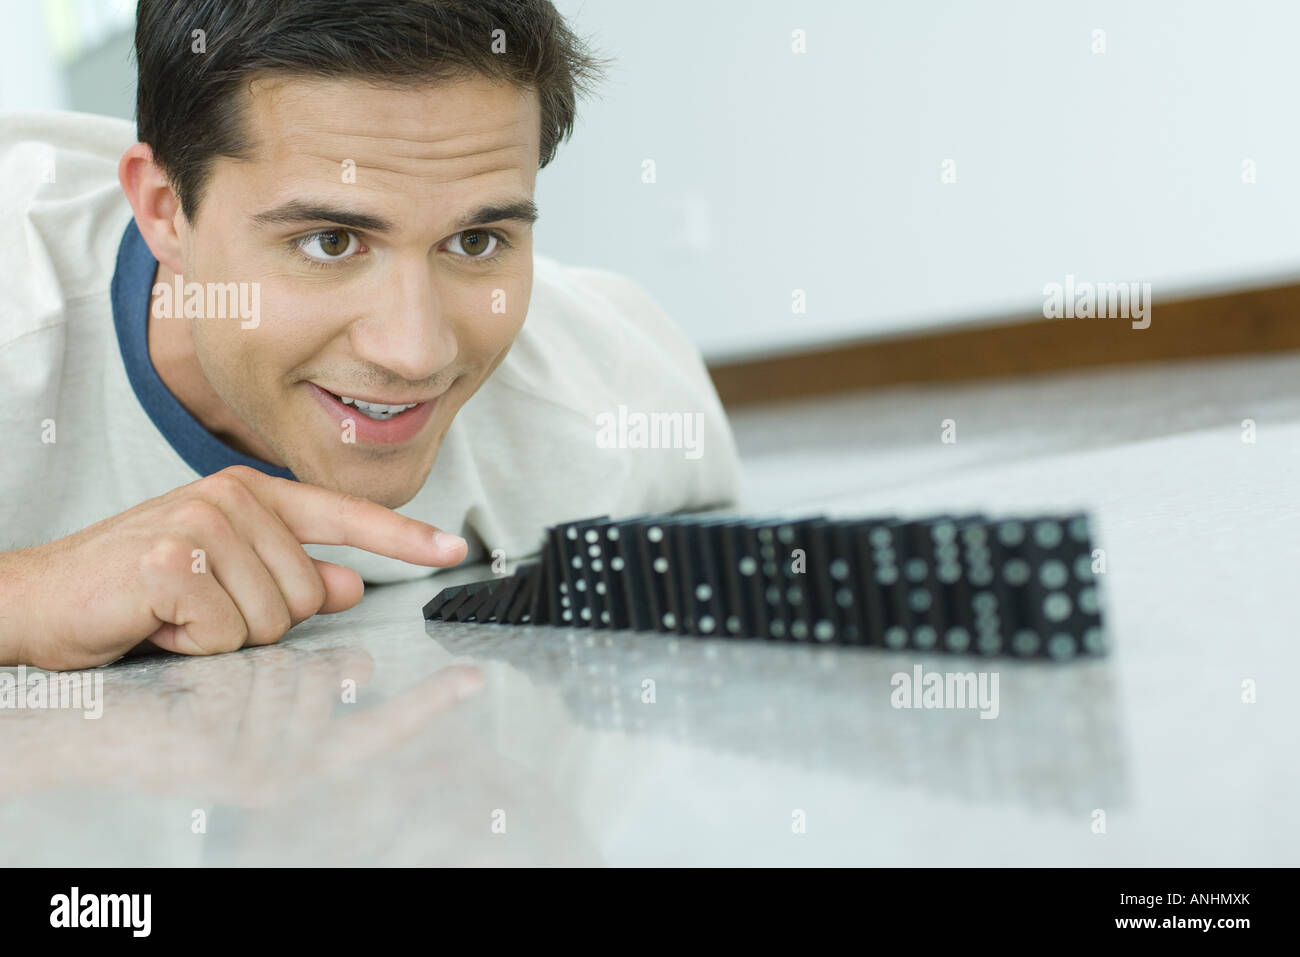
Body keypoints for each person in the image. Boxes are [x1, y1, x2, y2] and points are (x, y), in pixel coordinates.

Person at [0, 0, 741, 671]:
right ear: (164, 212)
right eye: (330, 241)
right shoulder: (19, 320)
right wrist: (23, 597)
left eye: (476, 240)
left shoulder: (591, 404)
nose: (416, 353)